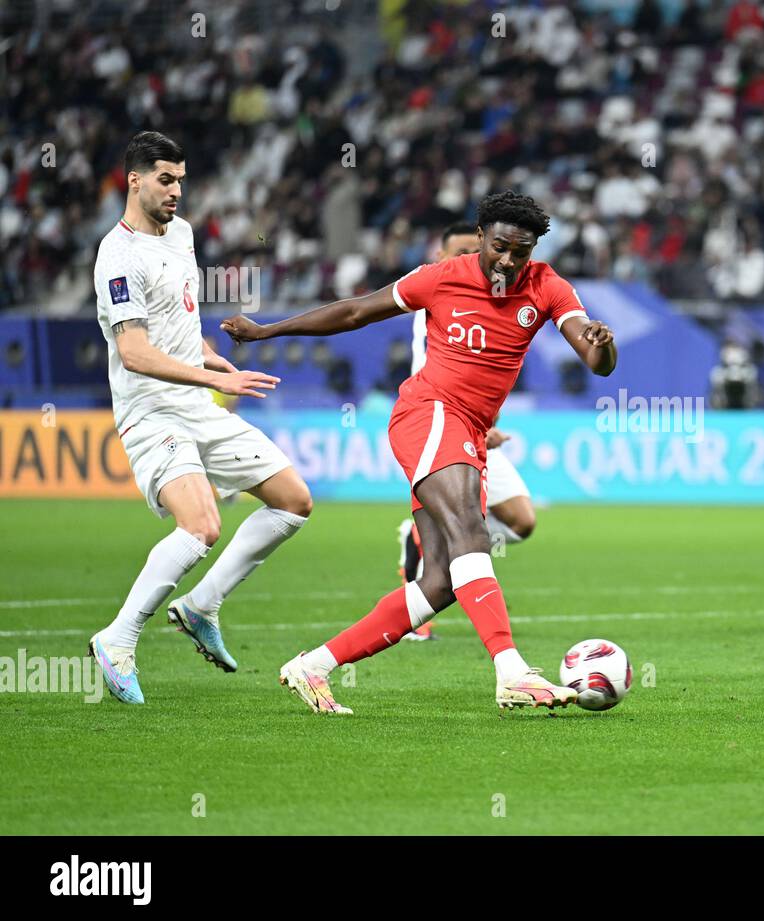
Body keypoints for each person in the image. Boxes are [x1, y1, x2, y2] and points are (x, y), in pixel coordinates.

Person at [221, 191, 617, 714]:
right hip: (429, 413)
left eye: (519, 252)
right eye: (499, 246)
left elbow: (596, 360)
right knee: (471, 534)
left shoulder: (547, 286)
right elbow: (355, 311)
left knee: (439, 583)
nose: (507, 260)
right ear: (480, 237)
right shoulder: (441, 276)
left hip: (470, 432)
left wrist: (602, 341)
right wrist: (269, 329)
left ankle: (313, 665)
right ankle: (512, 672)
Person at [89, 131, 313, 704]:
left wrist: (215, 359)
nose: (176, 191)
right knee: (201, 525)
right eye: (166, 179)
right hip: (150, 409)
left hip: (195, 400)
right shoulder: (118, 256)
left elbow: (180, 331)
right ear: (133, 179)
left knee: (293, 500)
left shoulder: (182, 234)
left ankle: (201, 604)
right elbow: (135, 351)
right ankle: (118, 639)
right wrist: (218, 379)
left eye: (181, 180)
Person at [397, 223, 539, 642]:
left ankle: (426, 535)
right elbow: (435, 373)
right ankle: (491, 646)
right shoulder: (435, 298)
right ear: (440, 258)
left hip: (477, 429)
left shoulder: (491, 296)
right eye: (456, 252)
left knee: (521, 520)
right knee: (465, 536)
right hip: (440, 423)